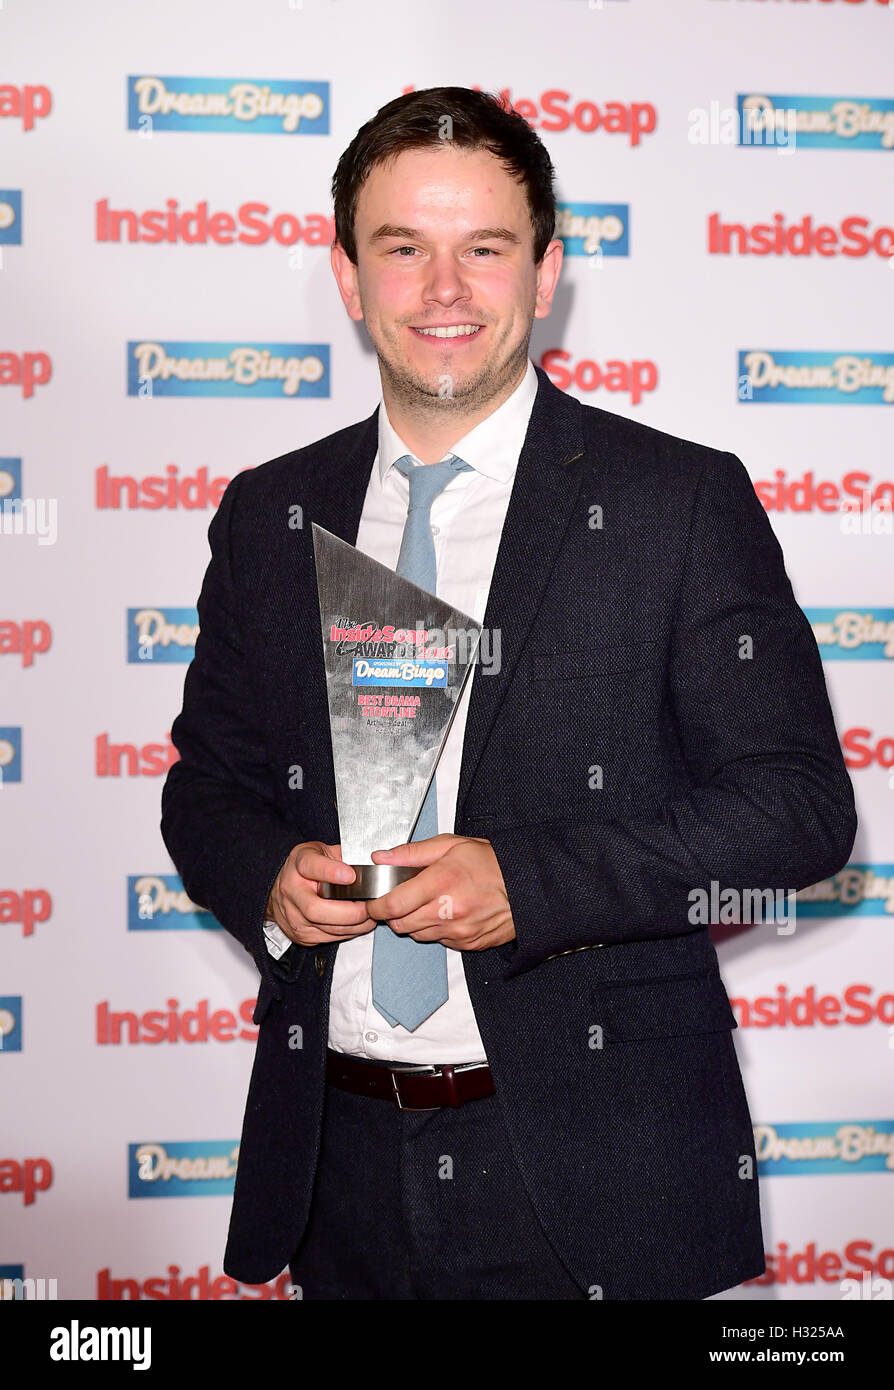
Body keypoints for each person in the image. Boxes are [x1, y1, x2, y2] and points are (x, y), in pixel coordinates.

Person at [160, 86, 857, 1301]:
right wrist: (264, 875)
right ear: (346, 275)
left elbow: (798, 809)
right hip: (336, 1170)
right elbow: (203, 787)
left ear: (546, 275)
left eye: (484, 248)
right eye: (403, 248)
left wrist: (526, 886)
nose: (444, 289)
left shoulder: (675, 502)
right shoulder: (269, 513)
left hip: (603, 1177)